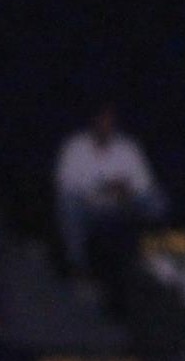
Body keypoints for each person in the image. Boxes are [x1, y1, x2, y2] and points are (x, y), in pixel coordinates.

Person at [55, 104, 167, 279]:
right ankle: (78, 265)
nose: (106, 126)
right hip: (89, 205)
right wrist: (102, 189)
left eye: (110, 122)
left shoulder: (129, 147)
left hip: (121, 203)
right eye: (102, 121)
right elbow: (65, 183)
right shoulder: (74, 146)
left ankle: (155, 256)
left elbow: (145, 184)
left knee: (158, 201)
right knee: (67, 205)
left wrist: (126, 191)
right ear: (93, 122)